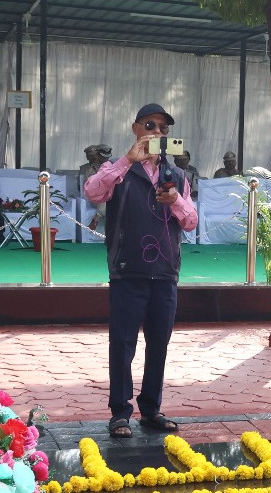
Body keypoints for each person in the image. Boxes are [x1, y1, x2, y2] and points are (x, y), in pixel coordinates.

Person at [84, 103, 199, 440]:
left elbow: (191, 222)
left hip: (165, 272)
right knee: (122, 343)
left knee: (159, 343)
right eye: (150, 125)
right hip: (127, 269)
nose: (157, 133)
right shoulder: (116, 169)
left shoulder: (176, 176)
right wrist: (126, 161)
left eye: (163, 129)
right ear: (136, 129)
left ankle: (151, 409)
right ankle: (120, 412)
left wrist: (175, 201)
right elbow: (93, 193)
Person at [79, 144, 112, 232]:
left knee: (111, 197)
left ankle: (96, 220)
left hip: (109, 195)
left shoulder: (112, 166)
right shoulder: (88, 170)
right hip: (95, 197)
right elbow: (87, 187)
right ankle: (96, 219)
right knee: (106, 198)